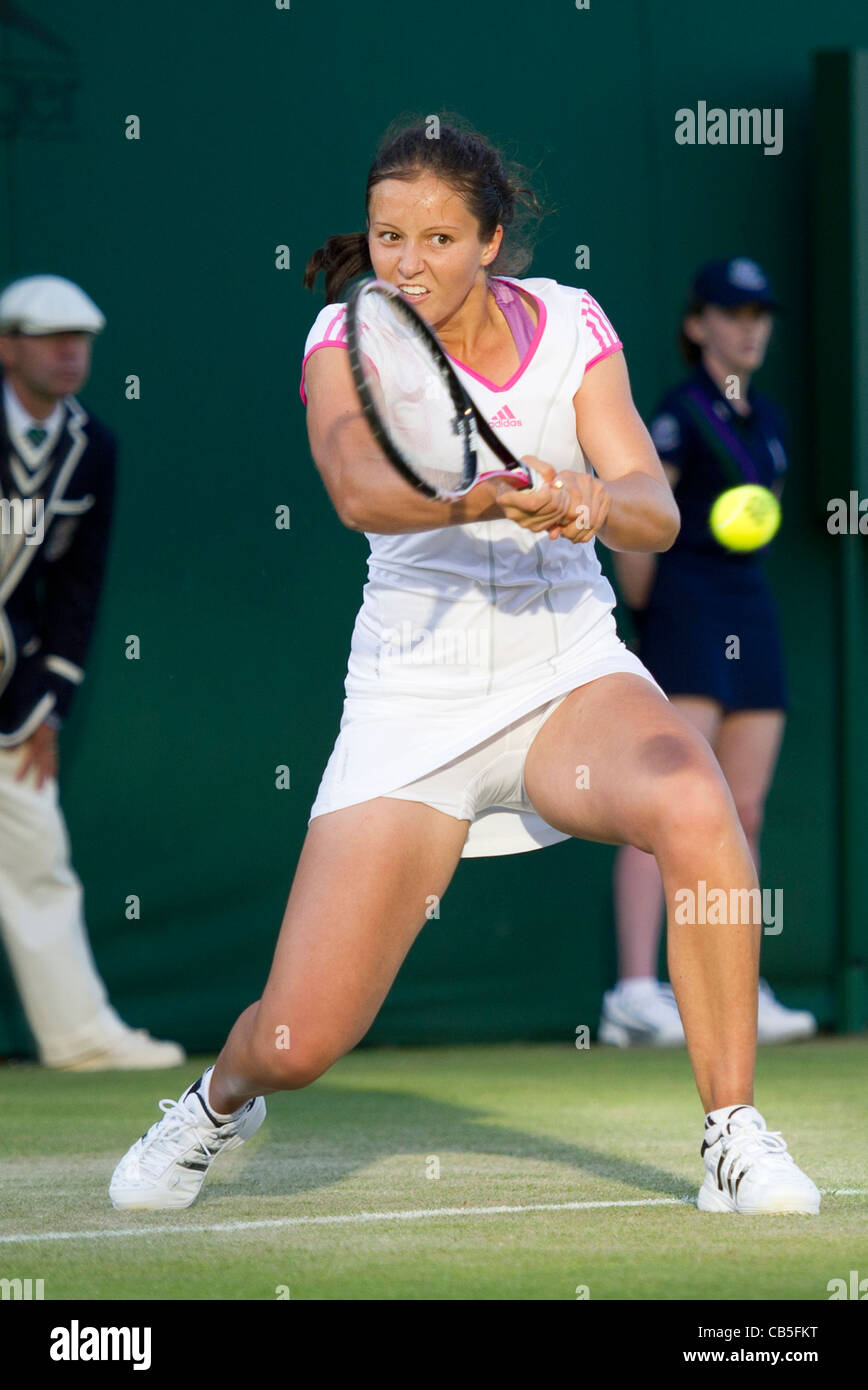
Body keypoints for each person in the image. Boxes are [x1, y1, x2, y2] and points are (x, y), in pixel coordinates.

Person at [109, 126, 819, 1215]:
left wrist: (585, 496)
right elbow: (354, 487)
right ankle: (214, 1102)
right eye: (389, 235)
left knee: (693, 793)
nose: (406, 261)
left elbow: (654, 506)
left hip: (566, 673)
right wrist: (481, 496)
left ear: (490, 240)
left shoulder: (574, 324)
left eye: (438, 237)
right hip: (412, 701)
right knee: (299, 1039)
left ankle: (732, 1133)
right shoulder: (341, 336)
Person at [601, 259, 818, 1050]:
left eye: (760, 312)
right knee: (669, 802)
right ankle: (632, 992)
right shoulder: (673, 416)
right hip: (684, 608)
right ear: (698, 326)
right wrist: (651, 613)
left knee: (744, 808)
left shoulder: (771, 422)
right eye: (732, 312)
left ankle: (740, 984)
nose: (750, 326)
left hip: (750, 609)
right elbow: (635, 531)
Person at [0, 274, 185, 1071]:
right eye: (49, 336)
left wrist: (48, 707)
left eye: (81, 338)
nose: (70, 351)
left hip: (14, 695)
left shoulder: (93, 446)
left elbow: (77, 591)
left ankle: (79, 1038)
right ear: (8, 346)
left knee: (37, 856)